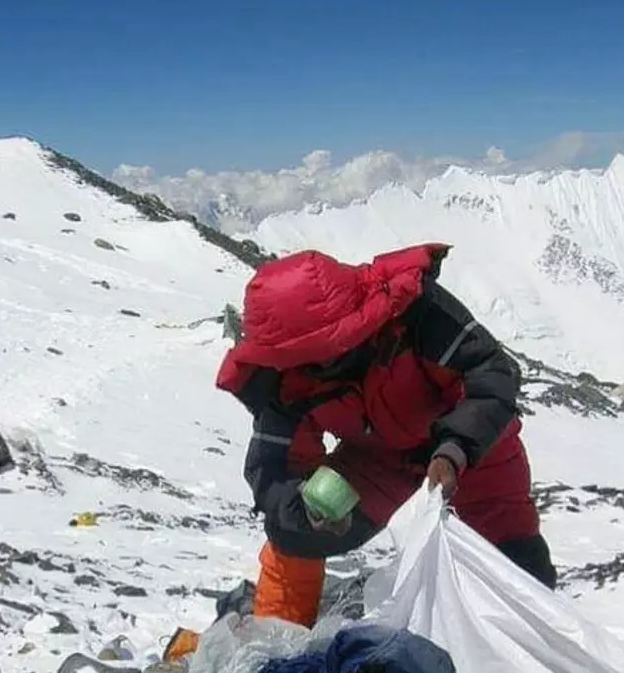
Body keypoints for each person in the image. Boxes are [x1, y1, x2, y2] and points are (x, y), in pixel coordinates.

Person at [216, 243, 557, 627]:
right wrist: (304, 514)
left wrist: (454, 450)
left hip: (472, 445)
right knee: (292, 535)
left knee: (515, 564)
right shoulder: (288, 376)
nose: (314, 368)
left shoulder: (414, 314)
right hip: (377, 459)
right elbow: (278, 467)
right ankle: (278, 642)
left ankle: (533, 650)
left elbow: (490, 376)